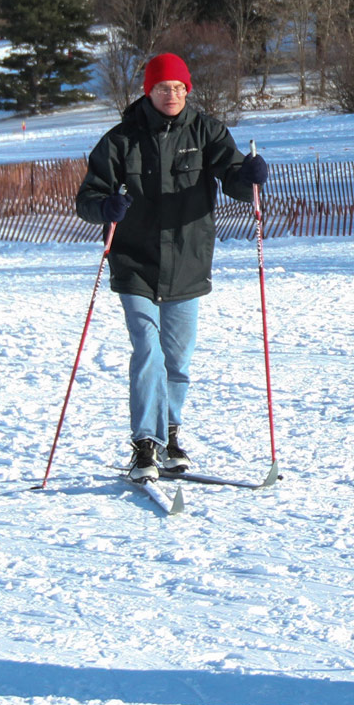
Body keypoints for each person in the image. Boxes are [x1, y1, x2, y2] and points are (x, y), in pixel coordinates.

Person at [74, 53, 268, 483]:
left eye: (179, 88)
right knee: (148, 350)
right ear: (149, 90)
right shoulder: (120, 140)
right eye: (164, 88)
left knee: (177, 361)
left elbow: (233, 173)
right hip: (136, 262)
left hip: (188, 260)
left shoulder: (206, 131)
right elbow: (87, 198)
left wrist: (250, 175)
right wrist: (106, 205)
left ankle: (170, 434)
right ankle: (145, 443)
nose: (172, 95)